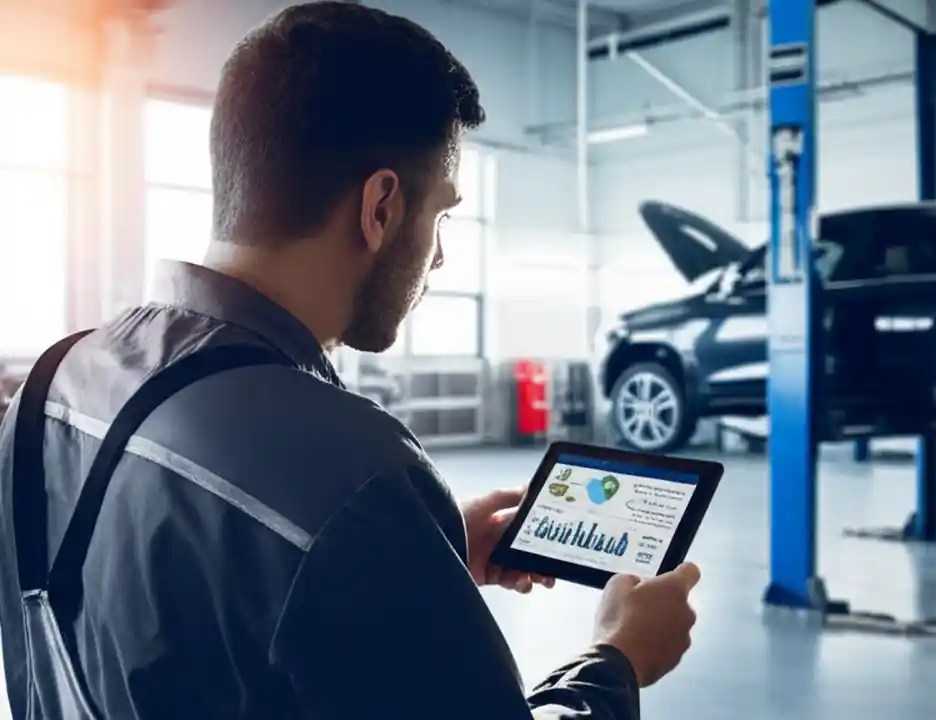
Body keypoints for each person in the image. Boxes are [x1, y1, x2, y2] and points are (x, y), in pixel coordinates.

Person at [0, 3, 699, 718]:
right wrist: (617, 659)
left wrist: (426, 555)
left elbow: (179, 632)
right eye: (443, 215)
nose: (442, 254)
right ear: (381, 206)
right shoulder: (356, 476)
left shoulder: (50, 385)